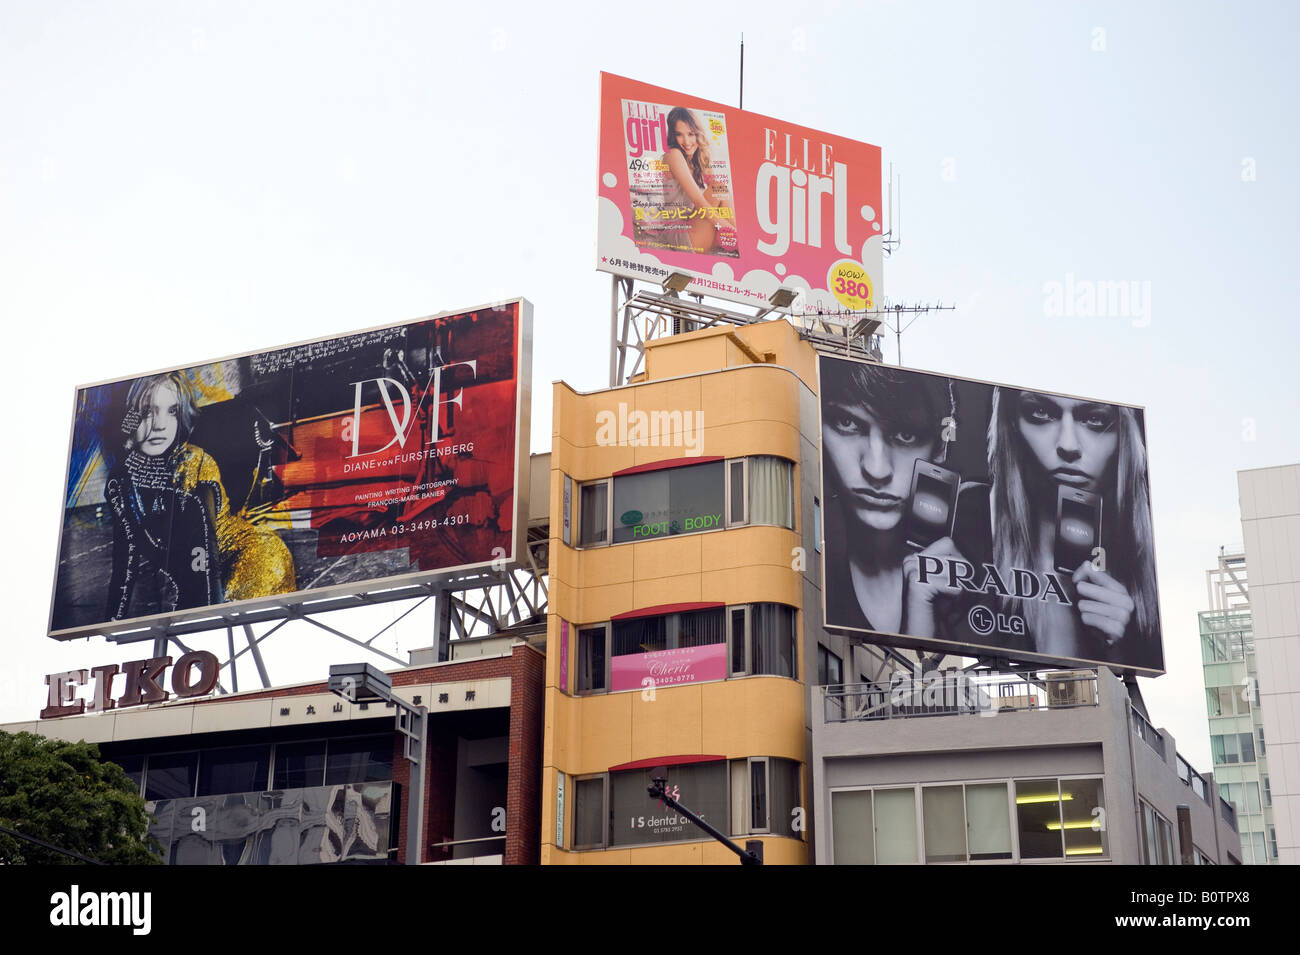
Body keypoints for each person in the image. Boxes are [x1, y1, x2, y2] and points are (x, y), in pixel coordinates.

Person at [909, 387, 1159, 669]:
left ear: (1123, 436)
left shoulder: (1141, 571)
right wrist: (918, 613)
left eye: (1094, 420)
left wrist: (1116, 652)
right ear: (1012, 423)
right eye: (1041, 413)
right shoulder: (962, 521)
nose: (1068, 445)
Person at [105, 372, 295, 622]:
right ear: (132, 417)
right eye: (150, 411)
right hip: (197, 581)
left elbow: (208, 551)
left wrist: (209, 617)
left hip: (252, 559)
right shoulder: (120, 482)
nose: (161, 425)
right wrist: (109, 625)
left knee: (217, 622)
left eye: (172, 411)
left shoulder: (195, 465)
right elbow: (123, 566)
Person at [821, 360, 956, 635]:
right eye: (847, 423)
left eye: (905, 435)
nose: (877, 469)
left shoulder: (971, 586)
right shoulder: (810, 576)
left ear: (940, 448)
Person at [658, 106, 733, 254]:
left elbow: (719, 192)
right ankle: (740, 240)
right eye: (679, 134)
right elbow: (700, 203)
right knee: (719, 189)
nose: (686, 141)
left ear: (698, 134)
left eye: (691, 134)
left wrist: (703, 159)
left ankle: (741, 242)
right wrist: (733, 233)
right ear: (673, 136)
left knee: (719, 189)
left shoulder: (696, 159)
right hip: (682, 235)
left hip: (697, 229)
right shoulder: (673, 155)